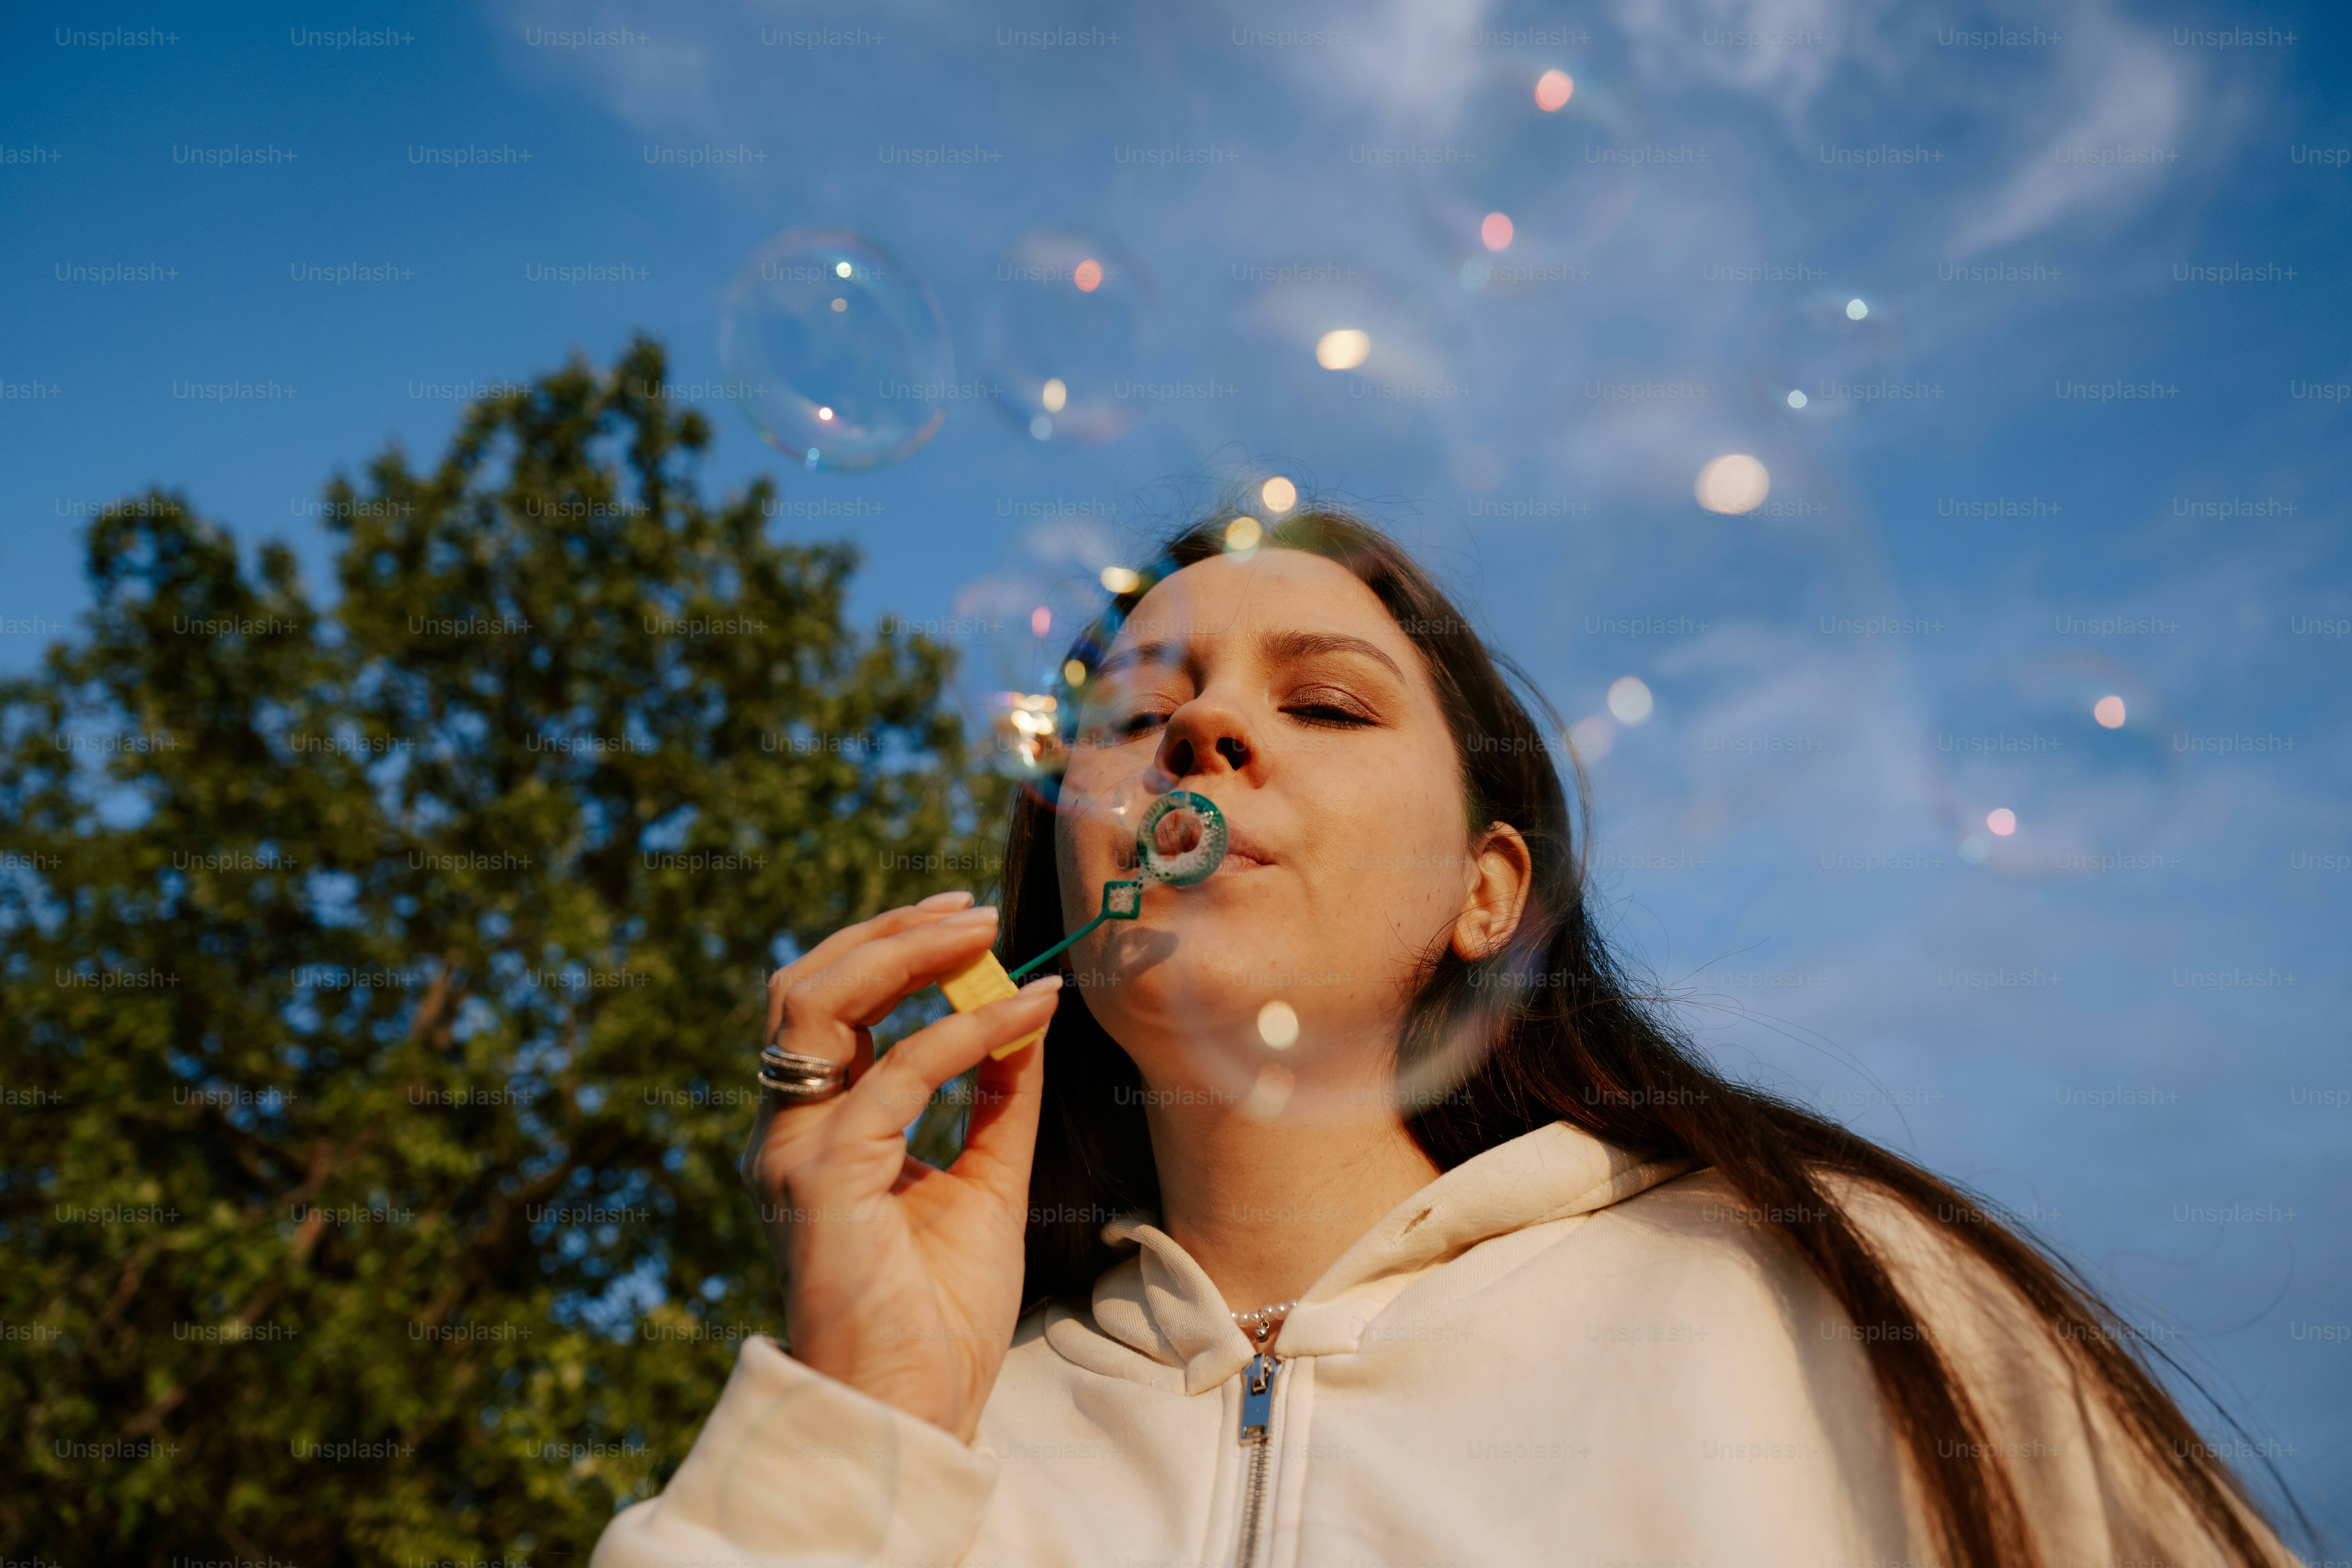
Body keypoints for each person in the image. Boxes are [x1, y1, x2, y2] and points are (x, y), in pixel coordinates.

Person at [594, 505, 2303, 1568]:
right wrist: (864, 1425)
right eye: (1132, 715)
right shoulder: (937, 1440)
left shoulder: (1843, 1296)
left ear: (1488, 894)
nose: (1200, 726)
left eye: (1323, 702)